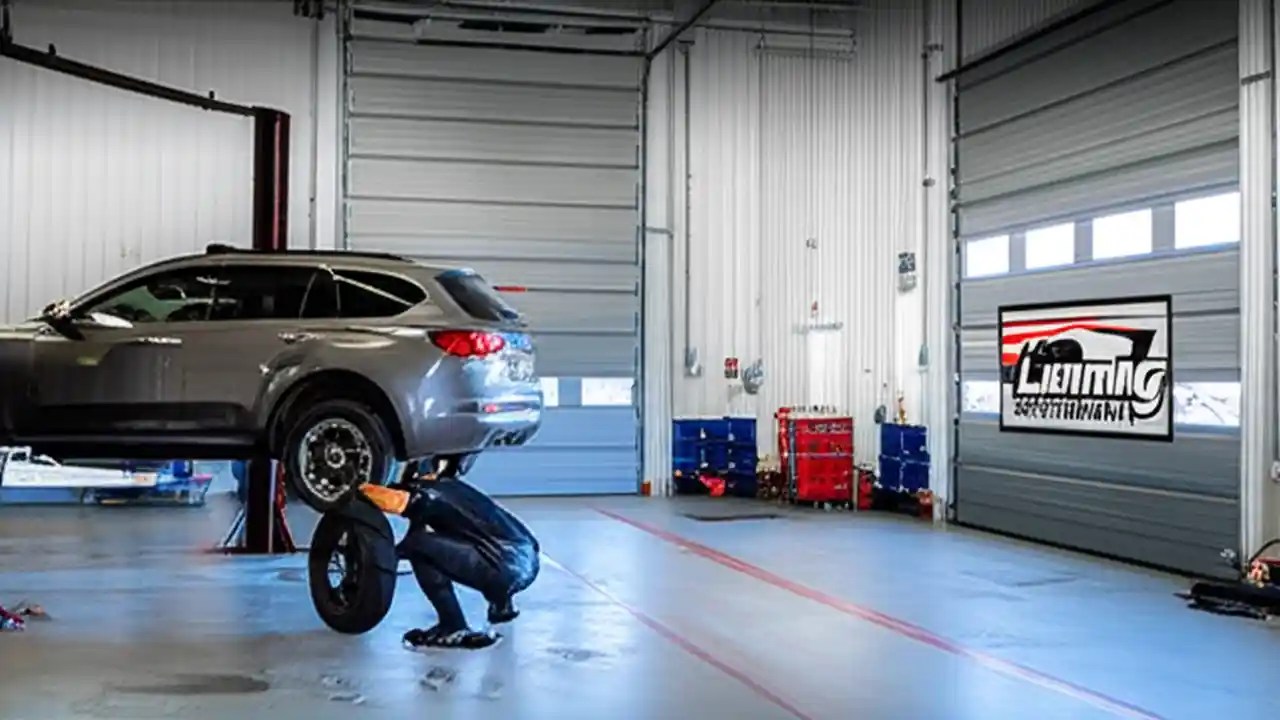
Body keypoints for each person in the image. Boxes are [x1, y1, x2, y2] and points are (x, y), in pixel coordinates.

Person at [362, 468, 540, 650]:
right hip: (529, 560)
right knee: (470, 540)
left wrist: (355, 489)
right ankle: (503, 607)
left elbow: (395, 501)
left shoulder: (428, 495)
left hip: (502, 569)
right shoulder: (454, 487)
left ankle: (452, 626)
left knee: (417, 546)